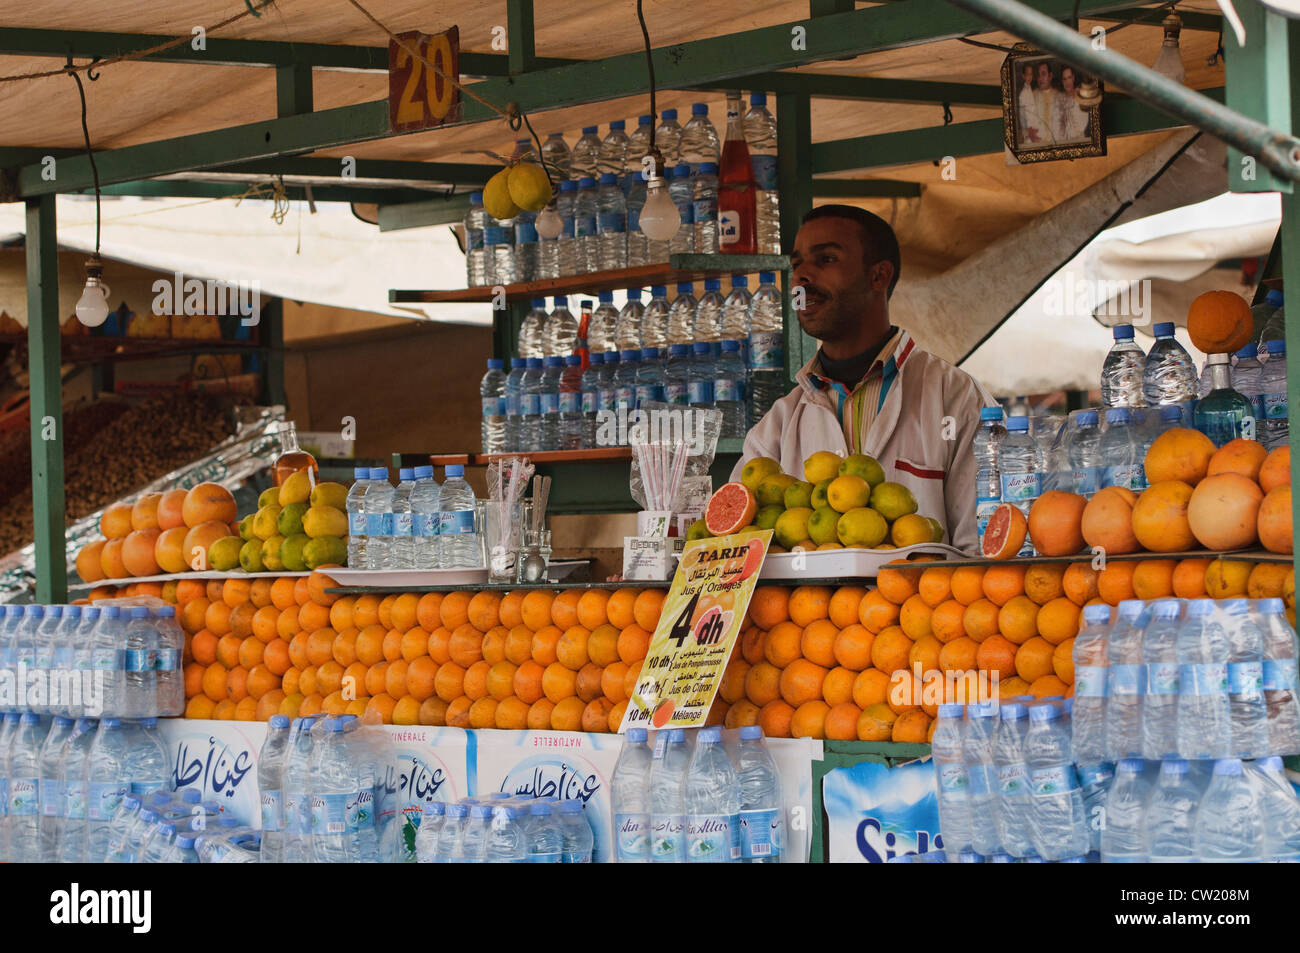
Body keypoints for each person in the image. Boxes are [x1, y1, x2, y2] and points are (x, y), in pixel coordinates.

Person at [732, 206, 994, 553]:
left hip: (925, 605)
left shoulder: (957, 398)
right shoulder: (779, 424)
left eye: (825, 259)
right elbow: (738, 550)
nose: (802, 277)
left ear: (879, 276)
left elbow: (983, 550)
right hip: (807, 608)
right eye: (796, 265)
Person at [1052, 66, 1091, 142]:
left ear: (1073, 78)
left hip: (1079, 140)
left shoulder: (1080, 96)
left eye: (1069, 78)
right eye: (1064, 79)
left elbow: (1081, 125)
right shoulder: (1060, 99)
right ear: (1062, 81)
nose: (1067, 82)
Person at [1024, 60, 1058, 147]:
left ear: (1050, 76)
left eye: (1043, 74)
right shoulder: (1031, 96)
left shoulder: (1059, 96)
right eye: (1038, 75)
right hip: (1036, 143)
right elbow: (1026, 122)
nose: (1040, 79)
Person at [1017, 63, 1042, 144]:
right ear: (1023, 76)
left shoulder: (1031, 89)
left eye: (1031, 74)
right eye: (1027, 74)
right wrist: (1029, 131)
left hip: (1036, 127)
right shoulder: (1023, 94)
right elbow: (1023, 115)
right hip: (1029, 131)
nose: (1029, 77)